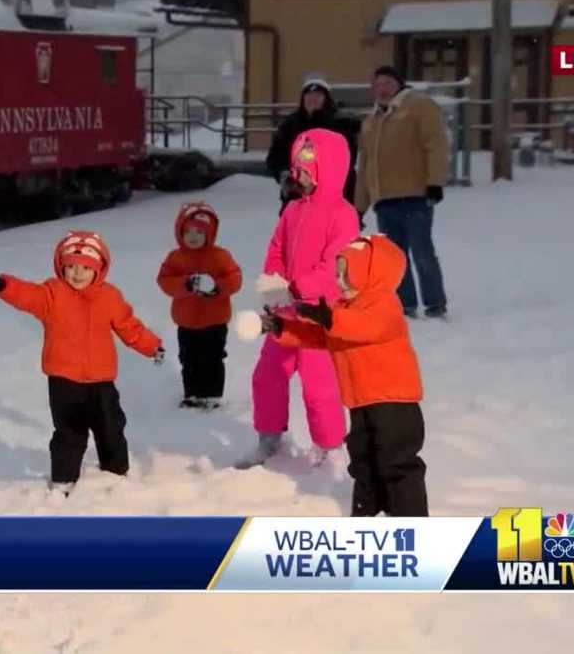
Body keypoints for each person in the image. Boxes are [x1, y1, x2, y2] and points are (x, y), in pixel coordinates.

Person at [0, 230, 164, 496]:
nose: (77, 273)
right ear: (61, 267)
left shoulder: (109, 297)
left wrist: (151, 346)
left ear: (99, 269)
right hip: (63, 381)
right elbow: (26, 294)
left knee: (111, 428)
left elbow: (129, 327)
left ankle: (116, 472)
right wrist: (2, 285)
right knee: (69, 432)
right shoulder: (52, 295)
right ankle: (63, 478)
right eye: (70, 266)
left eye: (85, 267)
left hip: (101, 381)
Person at [263, 234, 429, 517]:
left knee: (396, 462)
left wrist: (327, 317)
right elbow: (323, 336)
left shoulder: (383, 306)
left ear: (370, 275)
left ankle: (410, 520)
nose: (339, 281)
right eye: (338, 274)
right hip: (361, 400)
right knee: (363, 460)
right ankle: (367, 513)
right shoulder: (345, 310)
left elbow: (364, 327)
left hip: (394, 402)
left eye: (347, 274)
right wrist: (283, 327)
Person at [239, 128, 359, 470]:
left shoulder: (343, 215)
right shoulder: (292, 210)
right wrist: (274, 284)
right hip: (286, 312)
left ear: (330, 169)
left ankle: (329, 446)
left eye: (307, 170)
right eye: (298, 169)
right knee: (267, 375)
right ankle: (269, 437)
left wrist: (299, 287)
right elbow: (276, 249)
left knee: (319, 385)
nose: (300, 176)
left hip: (319, 314)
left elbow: (336, 263)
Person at [355, 65, 450, 319]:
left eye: (386, 83)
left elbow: (436, 144)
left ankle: (434, 304)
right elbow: (365, 167)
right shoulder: (371, 121)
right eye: (377, 85)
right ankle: (405, 305)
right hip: (384, 199)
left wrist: (435, 182)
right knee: (394, 258)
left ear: (398, 84)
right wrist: (359, 206)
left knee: (421, 250)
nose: (382, 89)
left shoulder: (418, 107)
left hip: (414, 194)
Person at [156, 202, 243, 410]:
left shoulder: (220, 256)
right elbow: (164, 281)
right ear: (180, 232)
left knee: (212, 358)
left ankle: (211, 394)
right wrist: (184, 285)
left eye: (199, 232)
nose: (193, 236)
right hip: (186, 323)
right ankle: (192, 393)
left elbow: (235, 279)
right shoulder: (175, 258)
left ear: (210, 233)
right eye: (188, 231)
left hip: (215, 322)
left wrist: (216, 288)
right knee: (189, 359)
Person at [266, 77, 361, 216]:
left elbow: (348, 159)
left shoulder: (341, 124)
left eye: (318, 96)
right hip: (297, 195)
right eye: (308, 95)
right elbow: (275, 157)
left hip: (333, 197)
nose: (312, 99)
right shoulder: (290, 125)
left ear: (326, 99)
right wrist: (285, 175)